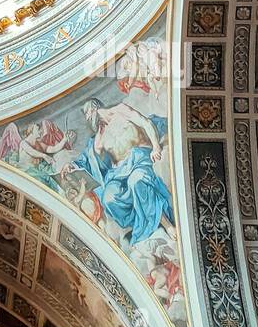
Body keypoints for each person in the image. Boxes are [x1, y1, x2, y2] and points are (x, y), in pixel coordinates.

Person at [63, 97, 176, 246]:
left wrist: (155, 146)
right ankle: (139, 223)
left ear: (94, 108)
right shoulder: (98, 138)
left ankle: (166, 224)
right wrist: (71, 165)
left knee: (136, 182)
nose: (87, 118)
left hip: (138, 159)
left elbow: (145, 122)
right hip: (118, 172)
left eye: (87, 113)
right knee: (108, 198)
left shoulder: (120, 111)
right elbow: (87, 161)